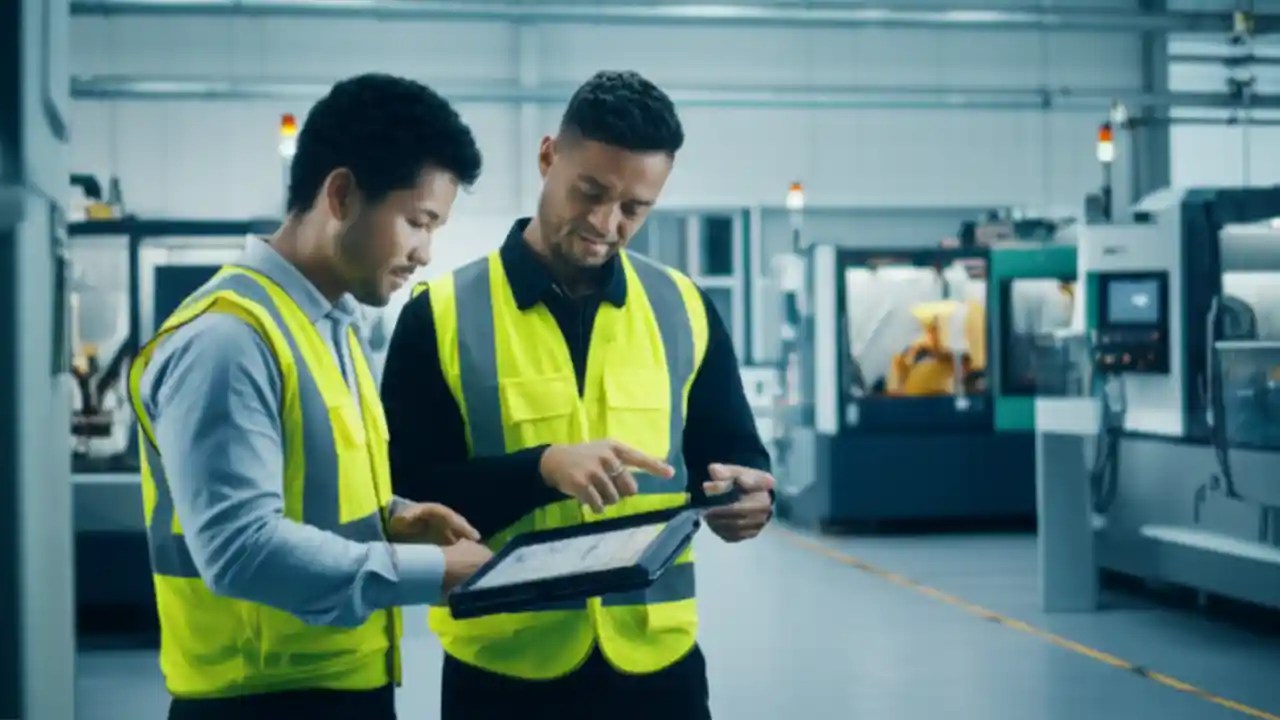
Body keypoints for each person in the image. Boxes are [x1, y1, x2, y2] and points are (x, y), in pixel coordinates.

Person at [381, 69, 776, 720]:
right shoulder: (440, 317)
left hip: (659, 672)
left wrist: (751, 498)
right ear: (547, 158)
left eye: (633, 208)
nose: (605, 223)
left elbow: (733, 455)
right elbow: (407, 492)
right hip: (504, 674)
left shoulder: (683, 308)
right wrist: (542, 469)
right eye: (589, 192)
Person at [126, 73, 494, 720]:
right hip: (258, 701)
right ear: (343, 194)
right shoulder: (229, 339)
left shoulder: (334, 327)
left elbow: (312, 489)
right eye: (417, 221)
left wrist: (394, 516)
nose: (426, 253)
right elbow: (240, 549)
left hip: (342, 686)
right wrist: (428, 573)